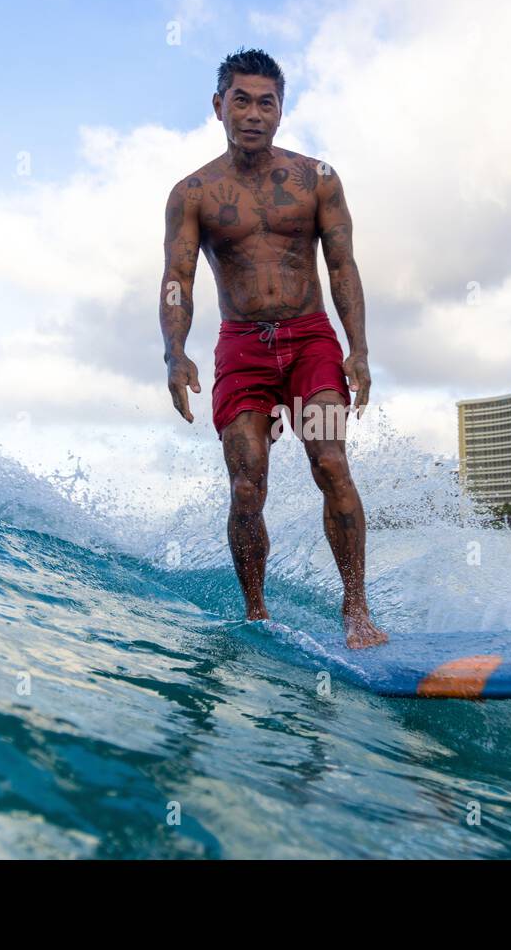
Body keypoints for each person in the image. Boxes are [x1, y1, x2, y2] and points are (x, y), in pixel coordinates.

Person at [157, 48, 386, 649]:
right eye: (241, 100)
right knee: (247, 485)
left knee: (331, 461)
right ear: (218, 106)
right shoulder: (193, 192)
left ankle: (356, 609)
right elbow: (178, 277)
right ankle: (257, 616)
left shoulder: (318, 180)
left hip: (311, 341)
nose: (254, 113)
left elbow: (343, 265)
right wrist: (174, 352)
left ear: (281, 110)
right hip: (242, 349)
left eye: (267, 102)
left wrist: (358, 349)